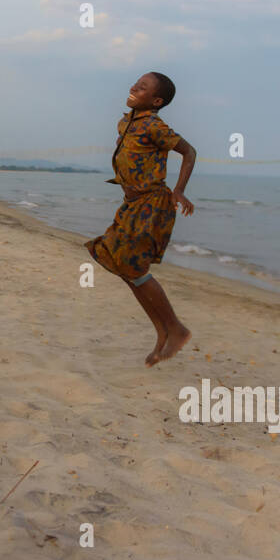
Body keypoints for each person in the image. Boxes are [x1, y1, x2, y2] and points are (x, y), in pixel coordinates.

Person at [85, 72, 197, 366]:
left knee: (134, 268)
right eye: (136, 83)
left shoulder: (155, 126)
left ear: (156, 100)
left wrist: (179, 190)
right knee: (124, 266)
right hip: (131, 205)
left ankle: (175, 328)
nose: (134, 87)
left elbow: (189, 152)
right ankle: (163, 331)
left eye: (142, 87)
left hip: (152, 205)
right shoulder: (126, 122)